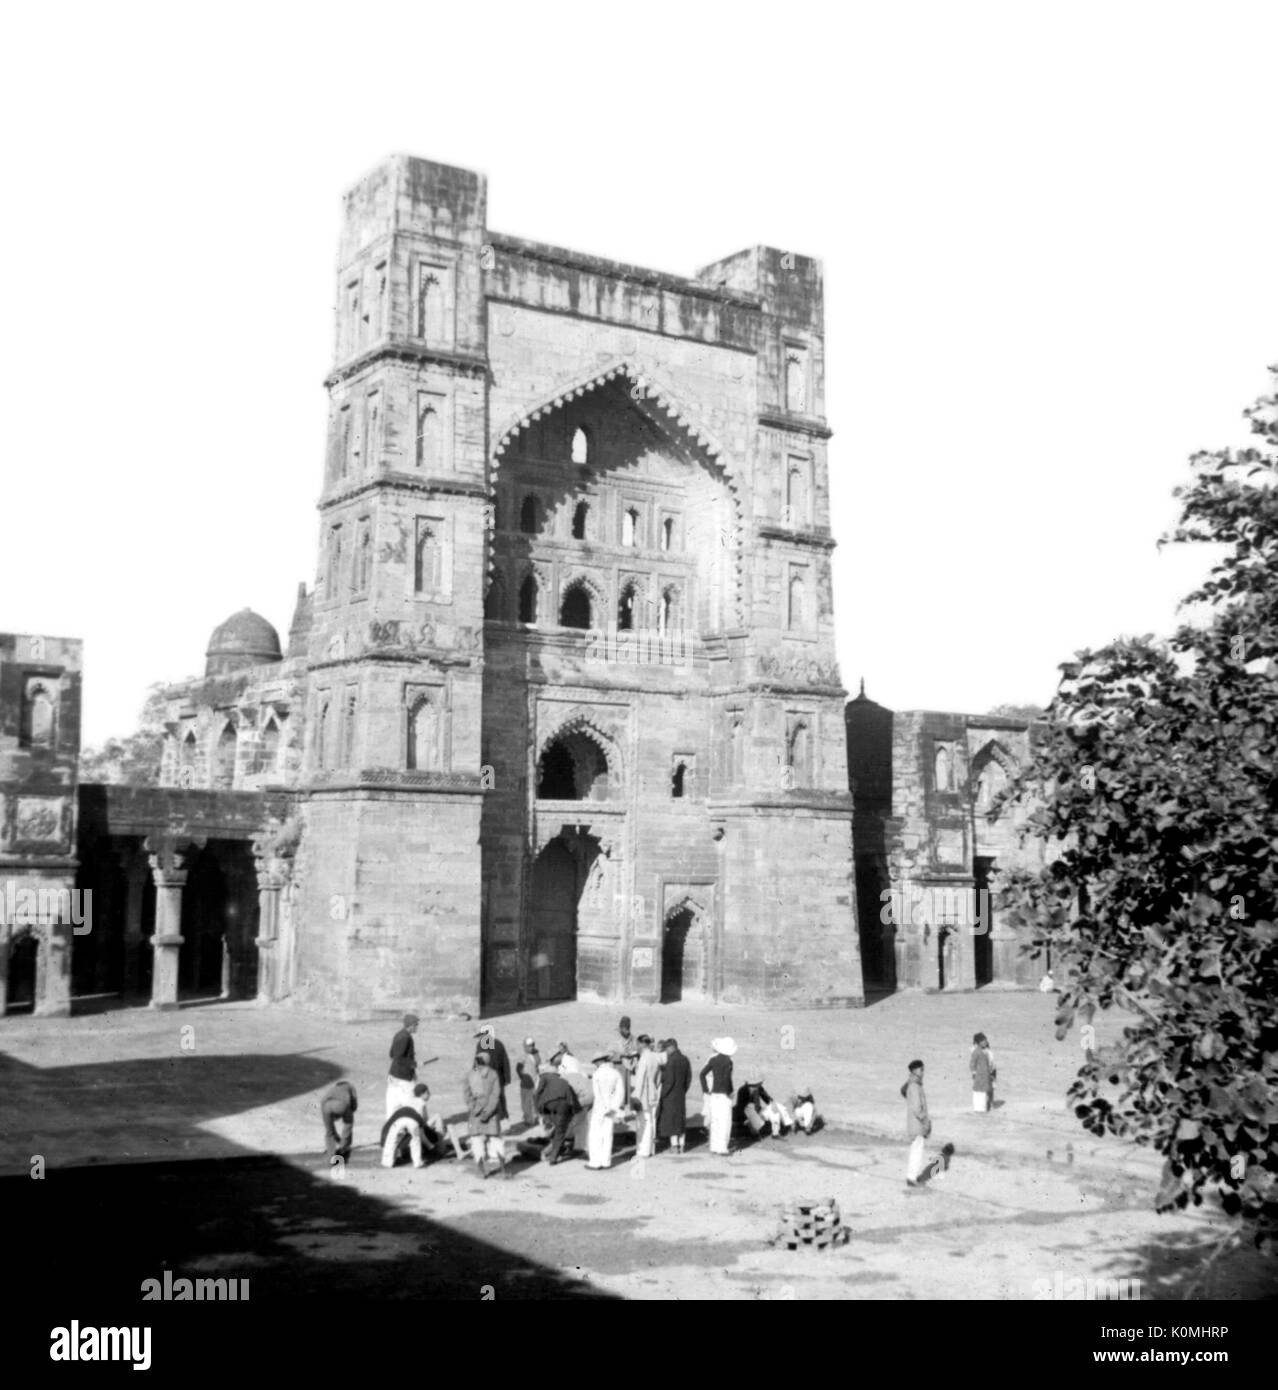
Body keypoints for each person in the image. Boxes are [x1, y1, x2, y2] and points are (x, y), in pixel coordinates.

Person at [464, 1050, 507, 1178]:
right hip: (491, 1113)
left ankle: (482, 1170)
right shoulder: (493, 1074)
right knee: (496, 1139)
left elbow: (467, 1095)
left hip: (475, 1114)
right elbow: (495, 1095)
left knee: (476, 1140)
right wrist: (487, 1111)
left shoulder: (470, 1075)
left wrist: (475, 1109)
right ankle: (503, 1170)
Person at [381, 1083, 443, 1169]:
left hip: (399, 1119)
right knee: (415, 1140)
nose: (430, 1094)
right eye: (427, 1093)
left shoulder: (408, 1100)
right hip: (413, 1120)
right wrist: (431, 1146)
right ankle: (418, 1163)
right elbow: (423, 1123)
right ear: (422, 1094)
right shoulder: (422, 1103)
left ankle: (388, 1163)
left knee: (392, 1141)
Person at [534, 1062, 580, 1163]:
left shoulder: (544, 1077)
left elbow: (537, 1093)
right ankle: (553, 1156)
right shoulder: (564, 1081)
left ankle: (551, 1149)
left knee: (553, 1127)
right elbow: (571, 1099)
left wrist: (537, 1109)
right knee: (560, 1130)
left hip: (549, 1105)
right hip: (563, 1105)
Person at [586, 1050, 626, 1170]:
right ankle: (606, 1161)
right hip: (612, 1107)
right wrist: (614, 1107)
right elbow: (620, 1092)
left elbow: (597, 1094)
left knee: (595, 1134)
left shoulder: (597, 1074)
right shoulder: (615, 1073)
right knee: (607, 1134)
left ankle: (595, 1162)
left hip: (599, 1107)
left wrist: (604, 1108)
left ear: (599, 1061)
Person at [700, 1038, 737, 1156]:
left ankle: (714, 1147)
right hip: (724, 1095)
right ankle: (722, 1148)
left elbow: (702, 1074)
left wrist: (706, 1090)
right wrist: (730, 1093)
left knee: (715, 1121)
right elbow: (727, 1080)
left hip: (713, 1094)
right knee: (725, 1122)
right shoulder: (728, 1061)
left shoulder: (713, 1059)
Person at [656, 1038, 692, 1154]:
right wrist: (683, 1090)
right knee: (680, 1121)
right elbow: (688, 1078)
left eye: (666, 1048)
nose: (666, 1051)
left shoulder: (671, 1061)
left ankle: (674, 1146)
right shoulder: (685, 1059)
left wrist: (662, 1094)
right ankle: (682, 1146)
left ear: (671, 1047)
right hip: (680, 1094)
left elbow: (669, 1080)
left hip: (670, 1096)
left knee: (671, 1122)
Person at [631, 1034, 661, 1158]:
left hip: (643, 1094)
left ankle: (643, 1150)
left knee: (643, 1122)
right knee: (650, 1121)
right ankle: (649, 1149)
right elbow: (659, 1077)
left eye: (638, 1044)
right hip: (652, 1091)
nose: (636, 1047)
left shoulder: (644, 1058)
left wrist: (636, 1097)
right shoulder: (655, 1056)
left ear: (642, 1044)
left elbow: (640, 1079)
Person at [903, 1059, 931, 1187]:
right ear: (915, 1070)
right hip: (917, 1124)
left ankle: (911, 1176)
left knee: (916, 1150)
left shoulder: (912, 1084)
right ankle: (912, 1177)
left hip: (914, 1124)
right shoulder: (915, 1086)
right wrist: (925, 1120)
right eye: (921, 1069)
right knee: (917, 1151)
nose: (923, 1072)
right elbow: (917, 1108)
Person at [386, 1013, 420, 1118]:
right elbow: (398, 1058)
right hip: (403, 1078)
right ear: (411, 1025)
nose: (417, 1027)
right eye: (416, 1025)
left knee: (393, 1107)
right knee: (411, 1105)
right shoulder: (406, 1037)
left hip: (393, 1076)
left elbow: (391, 1054)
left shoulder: (398, 1034)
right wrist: (413, 1064)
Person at [475, 1026, 512, 1122]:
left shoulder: (481, 1045)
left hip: (488, 1077)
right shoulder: (498, 1044)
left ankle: (496, 1117)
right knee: (500, 1096)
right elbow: (505, 1061)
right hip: (498, 1077)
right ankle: (503, 1116)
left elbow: (478, 1061)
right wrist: (507, 1077)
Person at [320, 1079, 358, 1162]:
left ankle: (331, 1155)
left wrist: (329, 1118)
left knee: (329, 1132)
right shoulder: (350, 1086)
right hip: (342, 1104)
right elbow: (354, 1104)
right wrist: (349, 1113)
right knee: (348, 1123)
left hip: (326, 1106)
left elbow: (322, 1101)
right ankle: (343, 1148)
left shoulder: (333, 1089)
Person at [517, 1037, 541, 1128]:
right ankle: (529, 1119)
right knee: (528, 1101)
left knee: (532, 1101)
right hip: (529, 1081)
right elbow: (518, 1068)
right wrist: (523, 1077)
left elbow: (537, 1066)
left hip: (533, 1081)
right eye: (528, 1046)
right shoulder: (528, 1055)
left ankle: (532, 1119)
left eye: (531, 1046)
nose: (530, 1048)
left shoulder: (534, 1055)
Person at [970, 1033, 996, 1112]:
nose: (985, 1042)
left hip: (985, 1075)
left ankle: (982, 1108)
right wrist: (974, 1073)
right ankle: (978, 1109)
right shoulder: (976, 1052)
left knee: (983, 1092)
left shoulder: (984, 1052)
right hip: (979, 1075)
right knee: (978, 1092)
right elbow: (972, 1063)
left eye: (986, 1041)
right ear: (979, 1042)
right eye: (984, 1041)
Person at [617, 1016, 639, 1105]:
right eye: (624, 1028)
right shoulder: (615, 1038)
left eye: (628, 1028)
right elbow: (609, 1054)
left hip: (629, 1069)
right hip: (618, 1067)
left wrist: (633, 1056)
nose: (626, 1031)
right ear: (620, 1028)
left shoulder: (633, 1038)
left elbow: (636, 1050)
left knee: (628, 1091)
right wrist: (621, 1055)